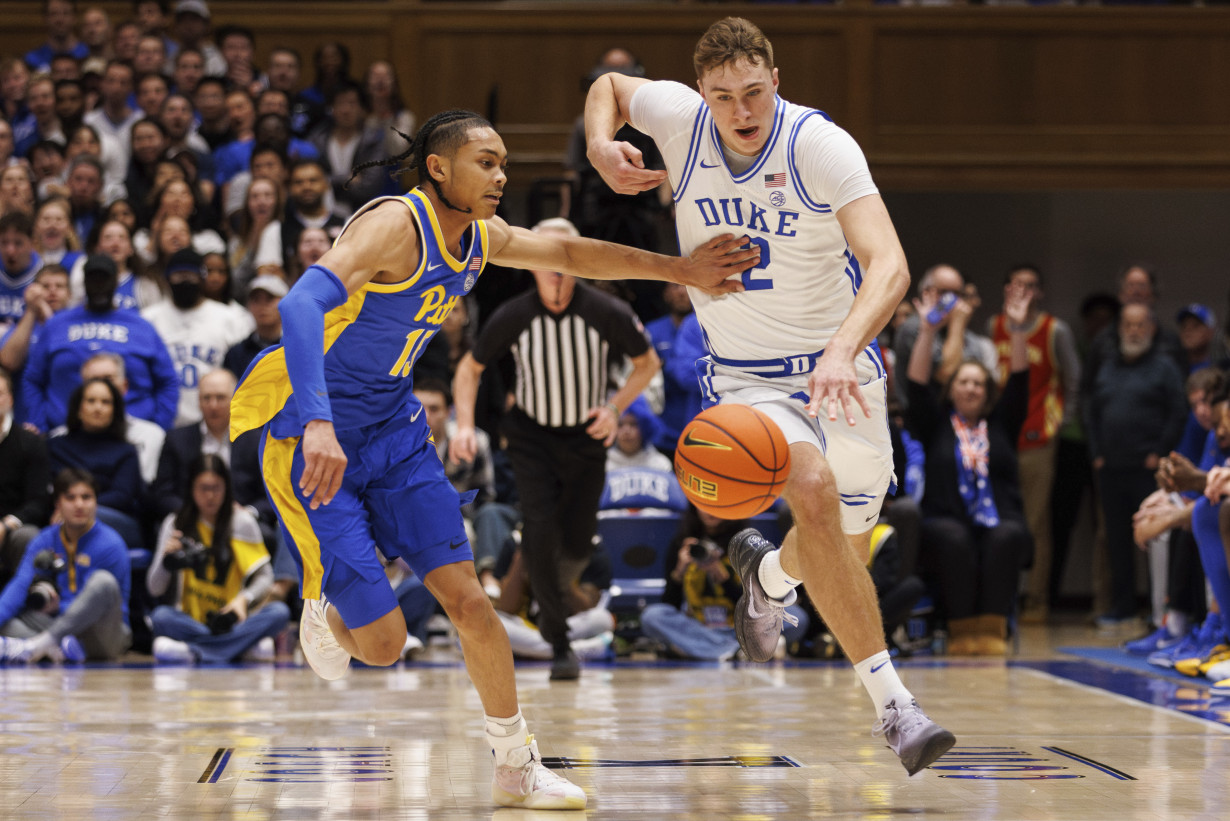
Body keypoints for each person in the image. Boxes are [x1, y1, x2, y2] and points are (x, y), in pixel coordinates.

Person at [228, 108, 751, 810]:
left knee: (472, 604)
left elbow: (570, 255)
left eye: (505, 162)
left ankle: (516, 764)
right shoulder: (393, 225)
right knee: (382, 645)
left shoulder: (479, 238)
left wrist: (680, 269)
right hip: (314, 439)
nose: (502, 175)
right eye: (486, 161)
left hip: (396, 433)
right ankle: (321, 600)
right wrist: (319, 423)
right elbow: (297, 304)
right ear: (439, 168)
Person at [584, 16, 955, 774]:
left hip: (840, 367)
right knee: (810, 487)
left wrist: (845, 348)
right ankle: (896, 706)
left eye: (754, 92)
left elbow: (889, 264)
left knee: (839, 550)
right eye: (724, 97)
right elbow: (612, 87)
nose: (742, 111)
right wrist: (599, 143)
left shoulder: (819, 145)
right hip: (749, 376)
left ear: (776, 83)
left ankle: (768, 575)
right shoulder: (682, 124)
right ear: (701, 95)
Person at [453, 217, 664, 682]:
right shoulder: (513, 314)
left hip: (585, 435)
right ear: (530, 262)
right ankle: (559, 641)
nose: (557, 265)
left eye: (566, 254)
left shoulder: (604, 310)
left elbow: (647, 363)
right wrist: (464, 425)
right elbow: (470, 369)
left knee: (577, 536)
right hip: (531, 437)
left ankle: (539, 589)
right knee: (541, 528)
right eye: (546, 254)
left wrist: (613, 408)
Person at [906, 283, 1033, 655]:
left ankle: (991, 630)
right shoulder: (937, 423)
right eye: (964, 381)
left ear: (988, 390)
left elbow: (1022, 382)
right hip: (946, 517)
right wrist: (928, 331)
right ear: (952, 389)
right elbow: (916, 385)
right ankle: (961, 631)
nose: (972, 388)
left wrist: (1019, 330)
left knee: (1006, 536)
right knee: (954, 538)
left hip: (1000, 517)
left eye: (979, 383)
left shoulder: (1003, 422)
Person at [986, 265, 1080, 624]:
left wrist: (1060, 425)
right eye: (1017, 284)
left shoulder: (1054, 330)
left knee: (1035, 522)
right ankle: (1000, 599)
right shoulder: (993, 328)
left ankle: (1036, 600)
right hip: (998, 438)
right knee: (997, 518)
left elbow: (1074, 380)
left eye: (1031, 286)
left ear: (1039, 292)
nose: (1023, 291)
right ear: (1007, 289)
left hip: (1038, 436)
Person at [1085, 303, 1187, 629]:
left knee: (1156, 538)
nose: (1134, 331)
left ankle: (1161, 611)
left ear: (1152, 329)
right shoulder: (1107, 366)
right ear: (1119, 329)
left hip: (1148, 467)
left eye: (1141, 324)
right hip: (1111, 466)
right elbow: (1091, 410)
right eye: (1128, 325)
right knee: (1116, 539)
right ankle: (1122, 605)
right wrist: (1097, 451)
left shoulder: (1165, 367)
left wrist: (1160, 451)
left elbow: (1178, 412)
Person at [146, 454, 289, 664]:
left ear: (227, 488)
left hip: (234, 620)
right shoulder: (175, 523)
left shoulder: (242, 521)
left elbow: (265, 577)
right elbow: (154, 588)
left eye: (216, 488)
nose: (210, 496)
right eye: (203, 488)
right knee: (160, 617)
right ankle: (240, 649)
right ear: (191, 489)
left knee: (279, 612)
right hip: (190, 620)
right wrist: (166, 561)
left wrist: (244, 599)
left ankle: (193, 651)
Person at [23, 252, 178, 433]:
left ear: (115, 283)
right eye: (93, 279)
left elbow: (168, 381)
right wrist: (41, 425)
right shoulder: (57, 325)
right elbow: (32, 379)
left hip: (132, 432)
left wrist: (158, 427)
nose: (99, 285)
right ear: (84, 284)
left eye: (104, 279)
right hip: (65, 434)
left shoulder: (141, 326)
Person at [640, 504, 809, 661]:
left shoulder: (748, 545)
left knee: (797, 617)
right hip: (698, 625)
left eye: (716, 506)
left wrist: (725, 579)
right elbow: (670, 604)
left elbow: (756, 604)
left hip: (742, 627)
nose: (708, 511)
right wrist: (678, 572)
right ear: (694, 508)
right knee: (652, 616)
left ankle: (705, 649)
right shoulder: (683, 544)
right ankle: (736, 650)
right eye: (703, 505)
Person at [0, 467, 130, 664]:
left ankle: (42, 644)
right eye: (70, 498)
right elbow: (19, 586)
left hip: (103, 633)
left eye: (86, 497)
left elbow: (104, 604)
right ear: (58, 504)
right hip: (60, 628)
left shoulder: (111, 544)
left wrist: (56, 607)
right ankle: (59, 649)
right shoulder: (44, 539)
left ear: (96, 502)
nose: (79, 504)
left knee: (103, 581)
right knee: (7, 623)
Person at [141, 247, 253, 426]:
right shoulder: (148, 319)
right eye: (178, 275)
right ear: (168, 278)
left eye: (190, 275)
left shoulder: (230, 318)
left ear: (202, 278)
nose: (185, 280)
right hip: (163, 422)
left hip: (216, 424)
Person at [47, 377, 147, 549]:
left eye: (106, 402)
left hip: (115, 519)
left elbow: (122, 496)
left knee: (79, 516)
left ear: (115, 410)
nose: (98, 407)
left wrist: (77, 507)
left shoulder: (126, 451)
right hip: (61, 517)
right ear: (78, 408)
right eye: (91, 401)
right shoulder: (55, 446)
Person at [0, 367, 52, 583]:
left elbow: (38, 502)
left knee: (28, 537)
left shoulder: (30, 443)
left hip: (13, 528)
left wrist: (6, 525)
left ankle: (30, 607)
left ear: (10, 399)